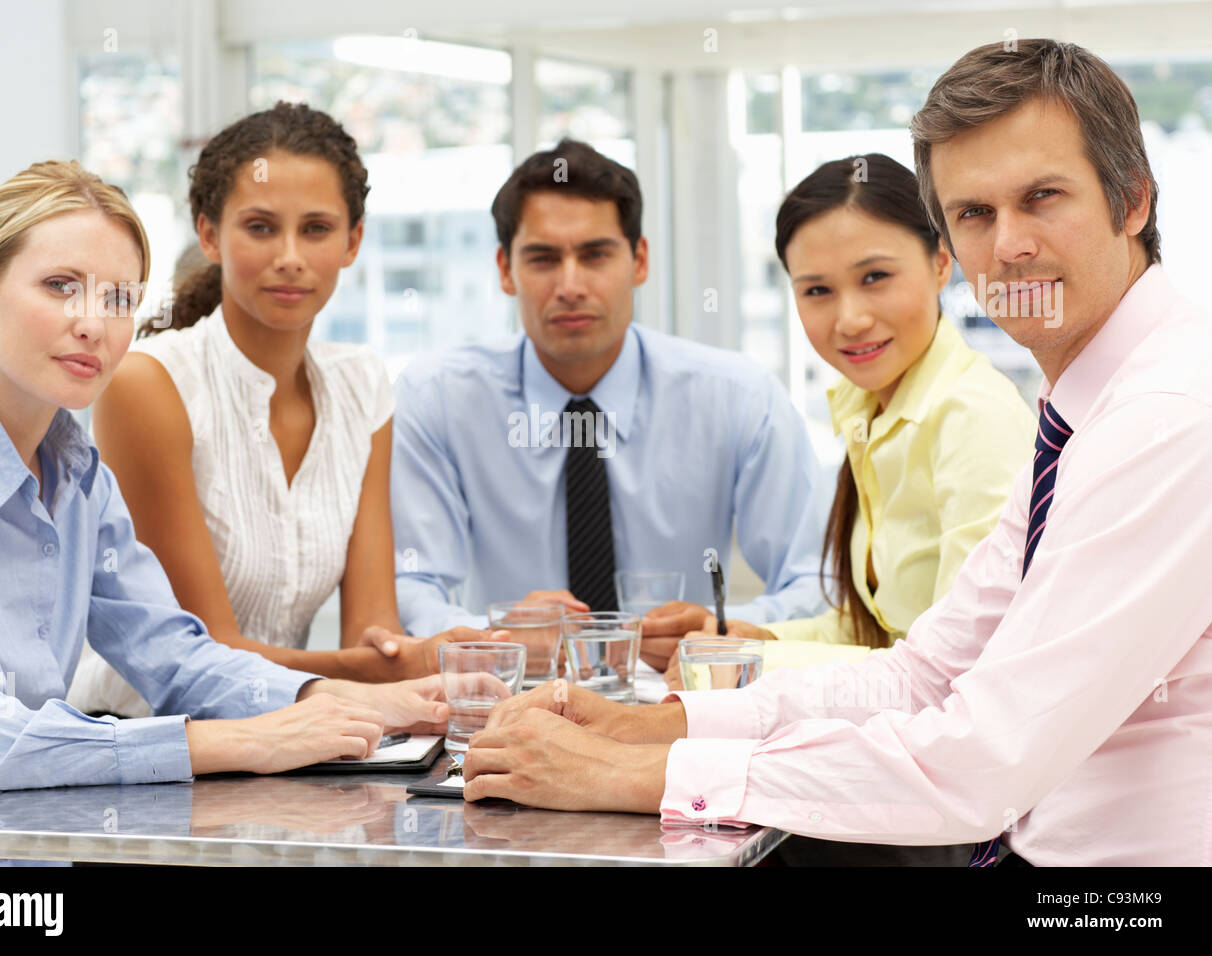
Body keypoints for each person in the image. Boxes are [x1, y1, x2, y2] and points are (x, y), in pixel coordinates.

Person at [460, 39, 1212, 866]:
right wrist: (660, 721)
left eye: (1042, 198)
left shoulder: (1167, 418)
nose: (1009, 248)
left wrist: (631, 769)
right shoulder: (1080, 413)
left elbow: (981, 758)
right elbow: (922, 674)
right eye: (974, 214)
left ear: (1132, 199)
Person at [0, 160, 447, 866]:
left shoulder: (77, 474)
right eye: (60, 287)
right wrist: (244, 742)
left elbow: (173, 655)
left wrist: (342, 699)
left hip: (38, 859)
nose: (91, 324)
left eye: (118, 297)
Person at [66, 103, 500, 720]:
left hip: (290, 735)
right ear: (210, 235)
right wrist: (402, 664)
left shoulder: (363, 384)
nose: (290, 256)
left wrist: (411, 657)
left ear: (353, 242)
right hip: (140, 738)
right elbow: (205, 654)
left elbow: (372, 636)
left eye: (317, 229)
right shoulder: (146, 383)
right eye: (262, 227)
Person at [389, 138, 830, 646]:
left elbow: (813, 582)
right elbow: (410, 585)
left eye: (595, 255)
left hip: (681, 697)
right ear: (505, 271)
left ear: (639, 261)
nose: (571, 285)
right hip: (512, 697)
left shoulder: (737, 397)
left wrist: (718, 631)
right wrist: (494, 635)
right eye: (543, 259)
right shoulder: (440, 399)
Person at [664, 153, 1034, 685]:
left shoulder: (970, 415)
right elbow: (882, 633)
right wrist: (756, 639)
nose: (850, 319)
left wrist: (753, 665)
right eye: (817, 290)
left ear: (940, 263)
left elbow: (962, 666)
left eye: (875, 276)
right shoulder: (870, 409)